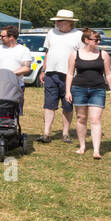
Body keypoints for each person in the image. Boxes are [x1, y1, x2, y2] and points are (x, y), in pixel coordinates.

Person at [66, 27, 111, 159]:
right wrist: (67, 91)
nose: (98, 41)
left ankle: (96, 150)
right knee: (81, 118)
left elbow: (109, 74)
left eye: (99, 39)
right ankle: (82, 146)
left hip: (98, 90)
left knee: (95, 119)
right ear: (86, 40)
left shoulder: (103, 54)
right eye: (96, 39)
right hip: (79, 89)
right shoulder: (74, 55)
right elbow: (70, 74)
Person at [40, 9, 83, 143]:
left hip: (69, 75)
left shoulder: (78, 35)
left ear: (70, 22)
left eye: (60, 21)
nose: (57, 23)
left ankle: (65, 133)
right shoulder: (51, 33)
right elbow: (47, 52)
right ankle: (46, 133)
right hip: (51, 74)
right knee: (49, 104)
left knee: (67, 105)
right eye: (56, 21)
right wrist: (43, 69)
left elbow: (81, 56)